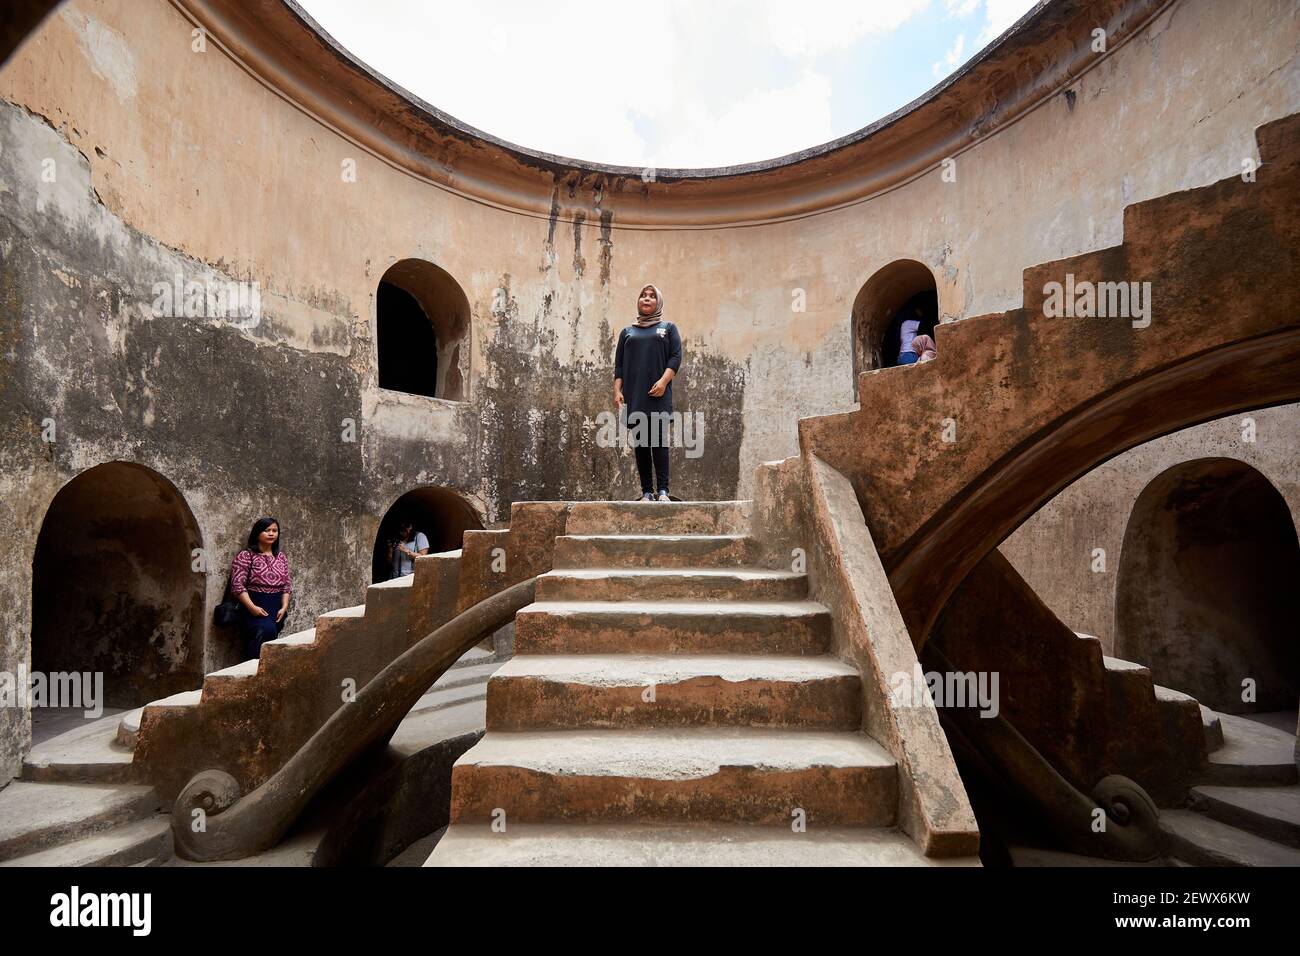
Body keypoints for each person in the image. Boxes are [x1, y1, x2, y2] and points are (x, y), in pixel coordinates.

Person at [614, 283, 682, 502]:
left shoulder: (668, 328)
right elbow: (619, 365)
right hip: (635, 396)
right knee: (641, 444)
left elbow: (675, 357)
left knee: (659, 442)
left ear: (658, 302)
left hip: (658, 395)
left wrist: (663, 382)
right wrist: (617, 391)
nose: (646, 299)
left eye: (652, 296)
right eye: (643, 295)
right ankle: (646, 492)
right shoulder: (627, 332)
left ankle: (663, 491)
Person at [230, 516, 291, 660]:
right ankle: (249, 672)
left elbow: (287, 584)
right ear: (257, 533)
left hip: (276, 606)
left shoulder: (281, 557)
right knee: (263, 633)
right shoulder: (246, 556)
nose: (271, 533)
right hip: (254, 603)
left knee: (269, 639)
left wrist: (285, 606)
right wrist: (252, 607)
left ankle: (261, 673)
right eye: (266, 530)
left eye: (274, 530)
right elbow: (237, 585)